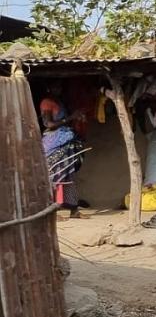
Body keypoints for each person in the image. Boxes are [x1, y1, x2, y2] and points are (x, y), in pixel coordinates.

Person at [39, 82, 87, 218]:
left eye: (60, 86)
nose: (58, 89)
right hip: (54, 142)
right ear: (48, 88)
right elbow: (49, 124)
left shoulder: (59, 101)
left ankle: (73, 209)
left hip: (64, 141)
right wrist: (71, 117)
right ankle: (52, 210)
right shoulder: (46, 102)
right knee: (55, 176)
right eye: (55, 86)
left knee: (68, 175)